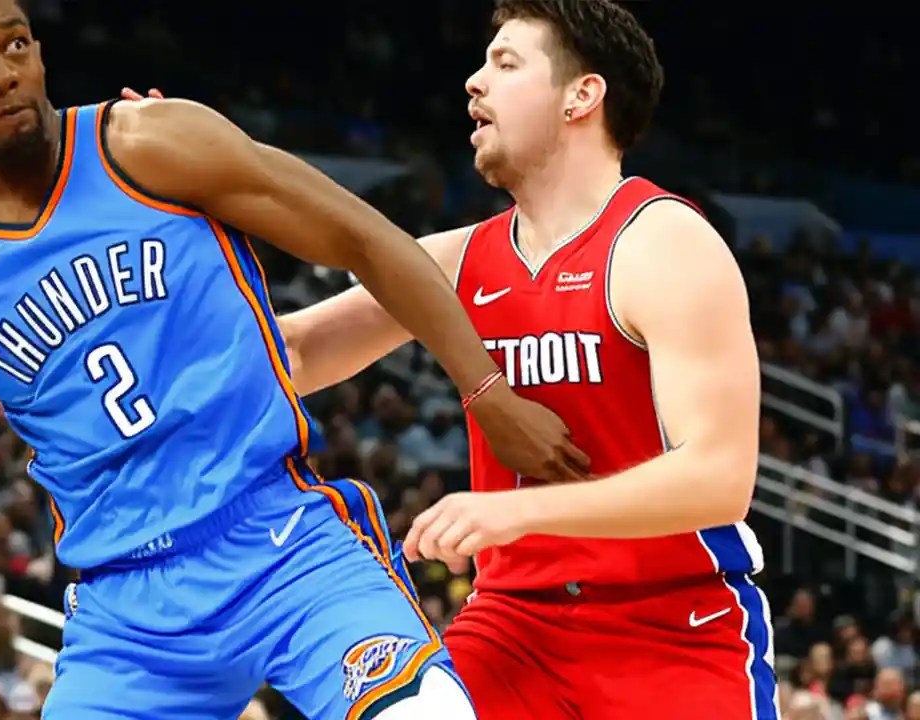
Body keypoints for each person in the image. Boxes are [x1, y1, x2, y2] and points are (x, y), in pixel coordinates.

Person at [0, 0, 589, 717]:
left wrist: (486, 386)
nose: (0, 73)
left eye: (16, 44)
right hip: (126, 610)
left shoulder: (145, 143)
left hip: (278, 540)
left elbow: (359, 234)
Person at [269, 0, 775, 717]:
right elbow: (289, 351)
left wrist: (518, 514)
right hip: (513, 624)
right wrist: (174, 213)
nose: (474, 82)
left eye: (505, 64)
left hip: (669, 626)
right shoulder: (456, 258)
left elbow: (719, 478)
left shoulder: (661, 241)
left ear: (582, 95)